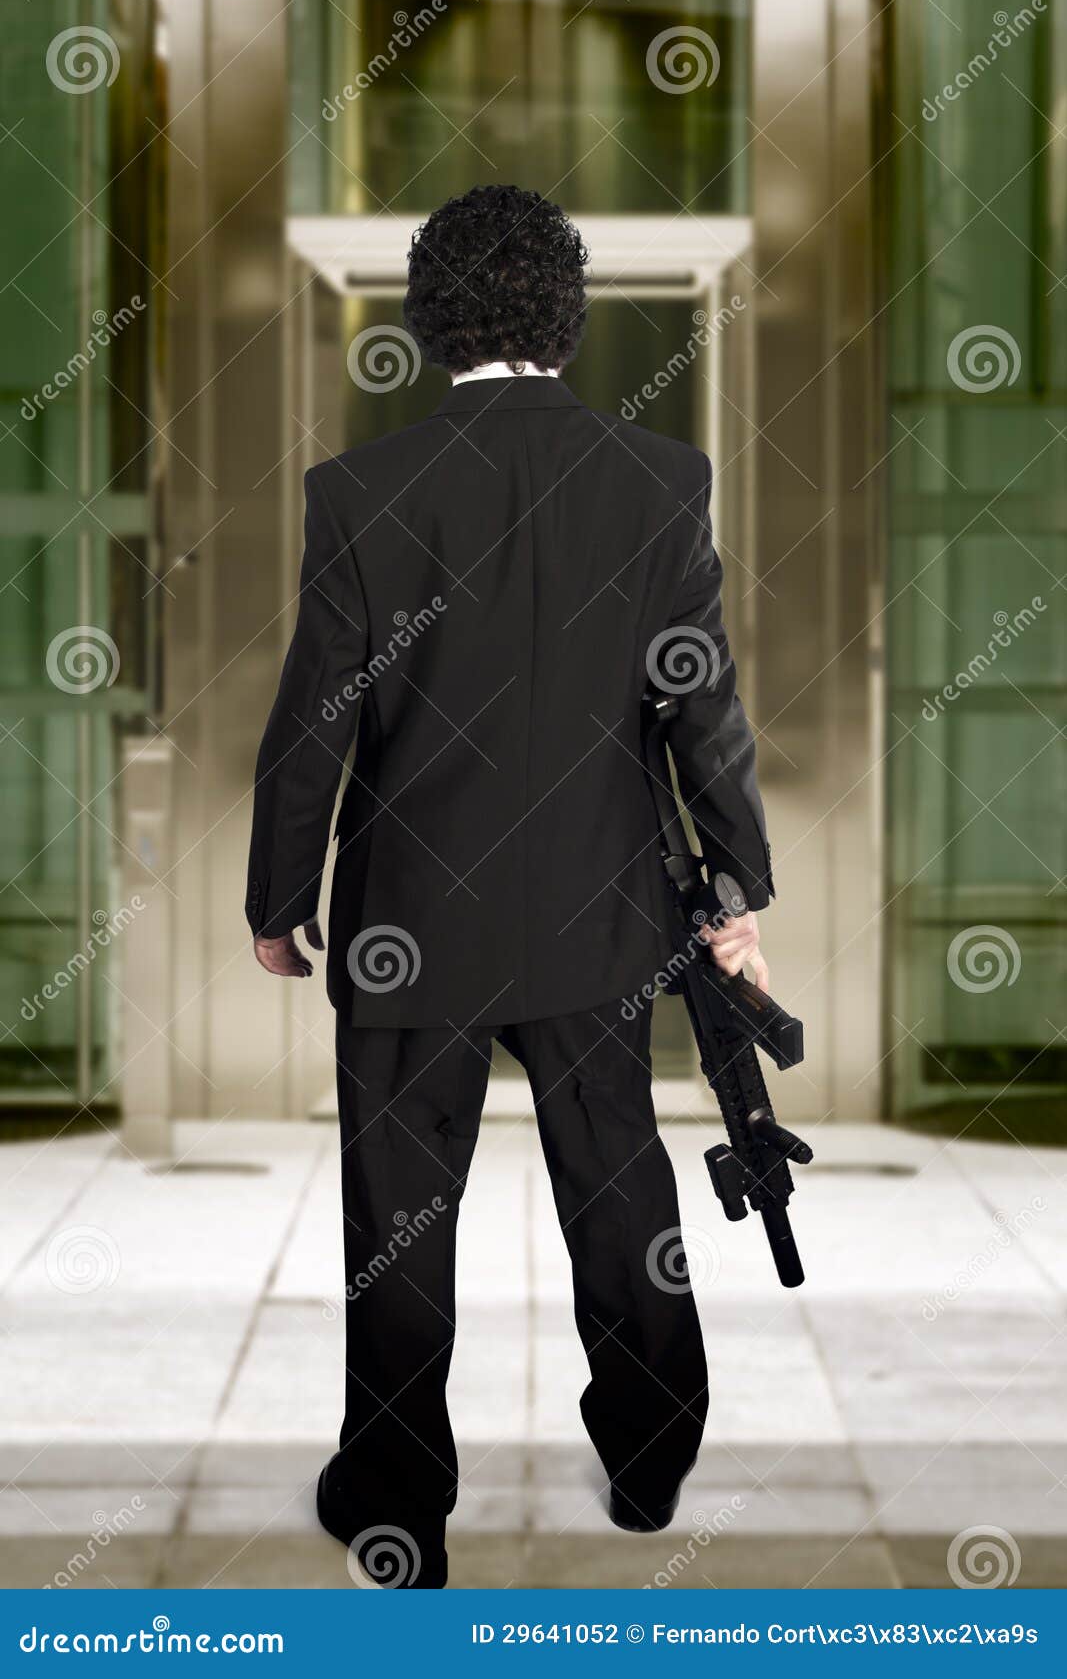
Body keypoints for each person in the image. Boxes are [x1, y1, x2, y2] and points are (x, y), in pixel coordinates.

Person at [246, 184, 774, 1589]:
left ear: (429, 316)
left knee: (401, 1210)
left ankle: (400, 1499)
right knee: (618, 1183)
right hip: (602, 908)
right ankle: (652, 1456)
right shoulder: (659, 480)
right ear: (566, 312)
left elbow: (316, 721)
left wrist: (275, 898)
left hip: (409, 925)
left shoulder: (360, 492)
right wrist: (736, 893)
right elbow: (698, 708)